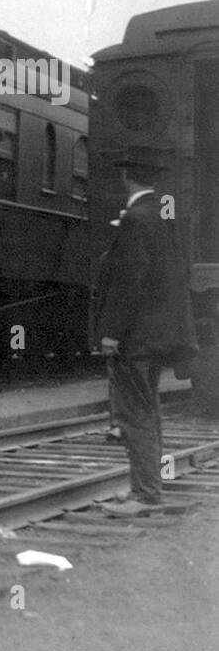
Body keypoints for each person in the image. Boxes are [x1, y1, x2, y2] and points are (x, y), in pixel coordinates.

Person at [96, 148, 197, 516]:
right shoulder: (164, 216)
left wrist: (112, 333)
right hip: (159, 336)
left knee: (134, 413)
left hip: (137, 338)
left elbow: (129, 282)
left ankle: (146, 494)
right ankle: (147, 486)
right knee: (148, 411)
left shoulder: (136, 219)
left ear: (126, 176)